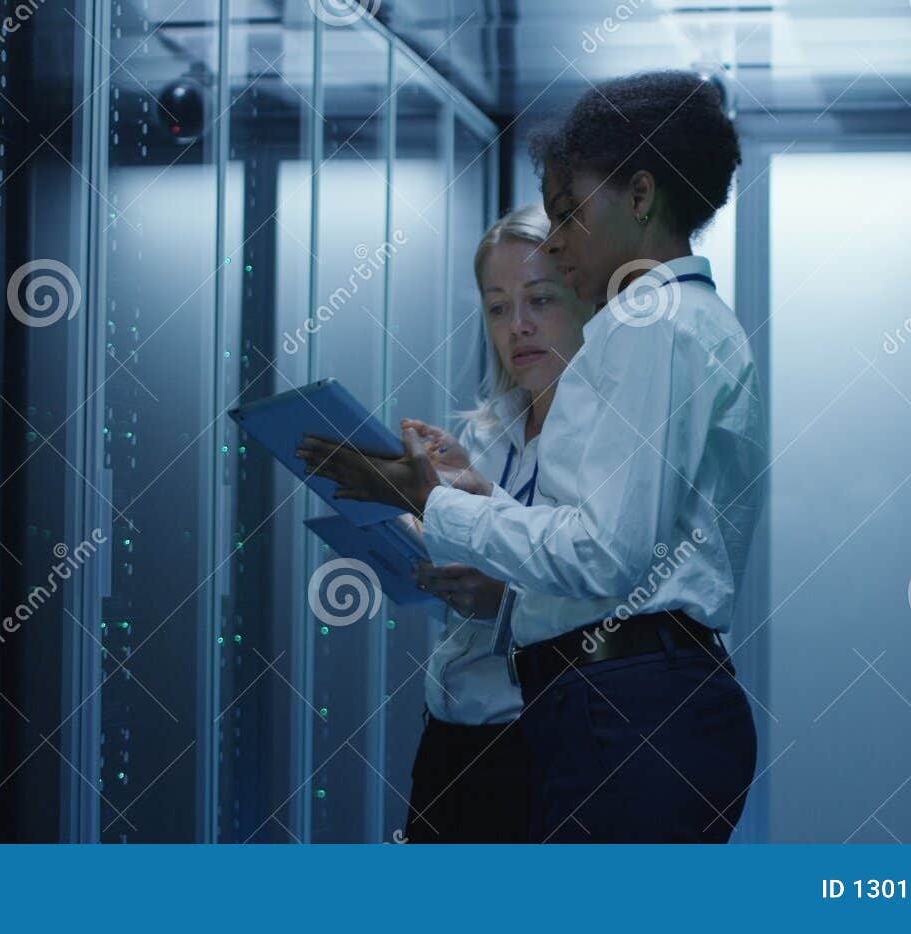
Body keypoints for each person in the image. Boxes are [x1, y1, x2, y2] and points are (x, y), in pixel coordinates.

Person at [300, 71, 764, 842]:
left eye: (567, 215)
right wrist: (478, 493)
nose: (553, 244)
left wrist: (433, 501)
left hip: (627, 708)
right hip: (620, 701)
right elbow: (612, 544)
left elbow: (601, 557)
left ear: (641, 198)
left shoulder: (651, 322)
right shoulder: (678, 320)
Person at [379, 204, 595, 842]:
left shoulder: (609, 437)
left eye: (540, 299)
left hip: (541, 740)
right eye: (498, 306)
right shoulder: (483, 431)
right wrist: (411, 515)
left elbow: (606, 581)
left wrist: (504, 599)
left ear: (584, 301)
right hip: (449, 731)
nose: (518, 326)